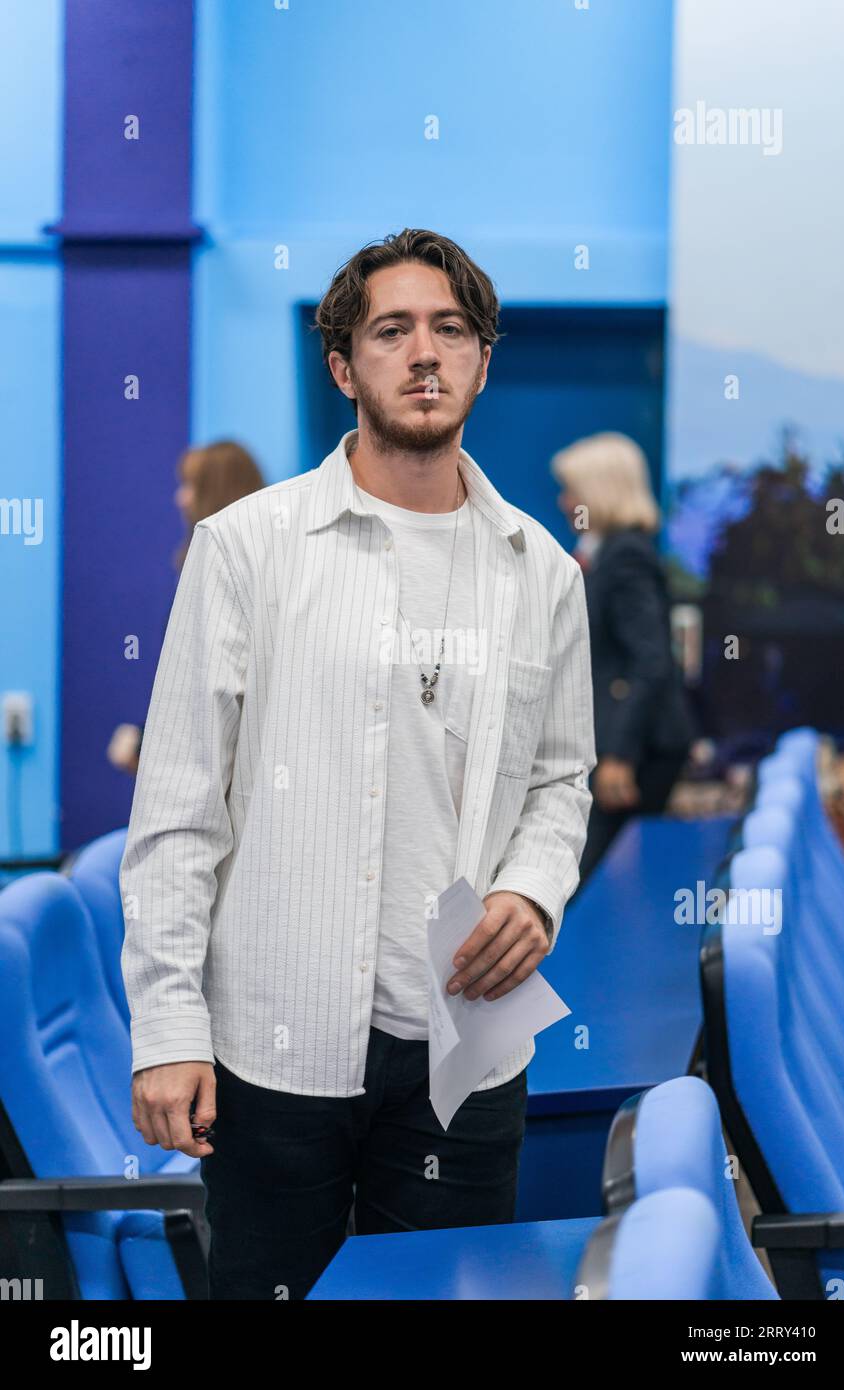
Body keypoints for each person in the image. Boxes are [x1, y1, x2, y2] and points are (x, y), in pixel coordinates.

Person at [119, 228, 596, 1300]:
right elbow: (178, 809)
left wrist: (531, 887)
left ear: (481, 359)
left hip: (464, 1045)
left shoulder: (541, 575)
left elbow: (560, 777)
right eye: (391, 330)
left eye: (451, 330)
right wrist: (166, 1028)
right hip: (273, 1043)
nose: (423, 353)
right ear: (344, 367)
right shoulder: (247, 548)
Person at [552, 430, 695, 883]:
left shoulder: (626, 556)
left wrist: (619, 754)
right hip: (631, 744)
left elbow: (649, 662)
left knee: (583, 876)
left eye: (572, 490)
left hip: (641, 750)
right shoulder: (609, 553)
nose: (563, 501)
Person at [107, 441, 264, 775]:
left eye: (191, 486)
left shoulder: (225, 573)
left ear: (216, 493)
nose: (181, 498)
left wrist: (143, 743)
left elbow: (206, 692)